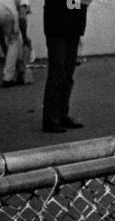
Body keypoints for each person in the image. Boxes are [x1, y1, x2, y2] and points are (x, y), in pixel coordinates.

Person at [42, 0, 90, 134]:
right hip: (58, 25)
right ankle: (52, 119)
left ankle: (61, 115)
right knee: (58, 72)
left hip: (72, 25)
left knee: (67, 73)